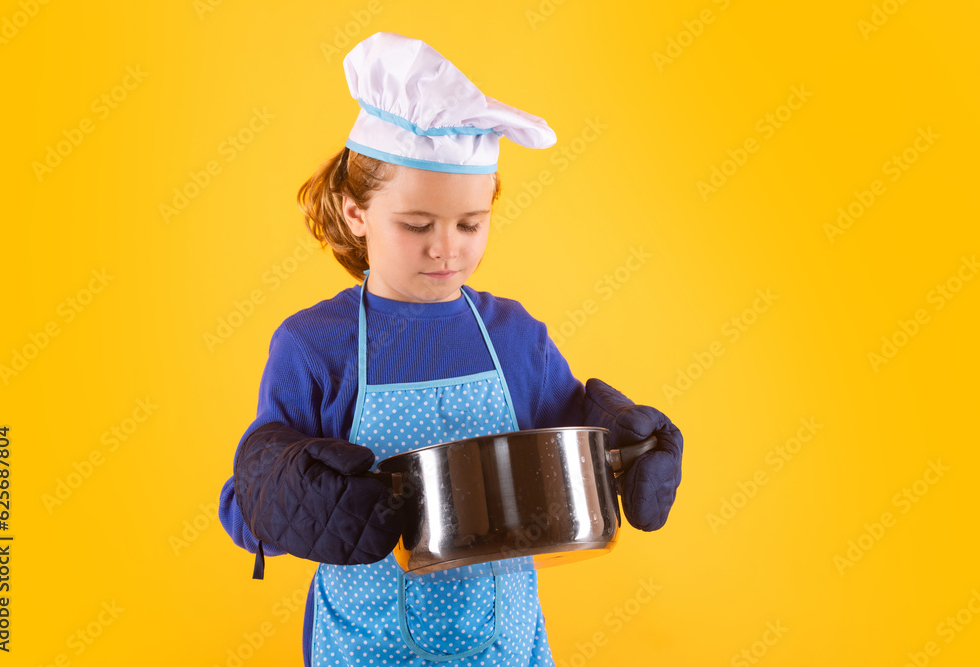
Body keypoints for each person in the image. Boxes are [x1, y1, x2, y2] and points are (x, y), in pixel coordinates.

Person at [218, 31, 684, 667]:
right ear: (357, 213)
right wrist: (286, 496)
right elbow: (245, 508)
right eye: (417, 226)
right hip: (367, 649)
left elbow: (567, 444)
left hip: (507, 647)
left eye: (470, 224)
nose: (448, 248)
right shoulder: (314, 347)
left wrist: (624, 442)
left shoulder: (516, 336)